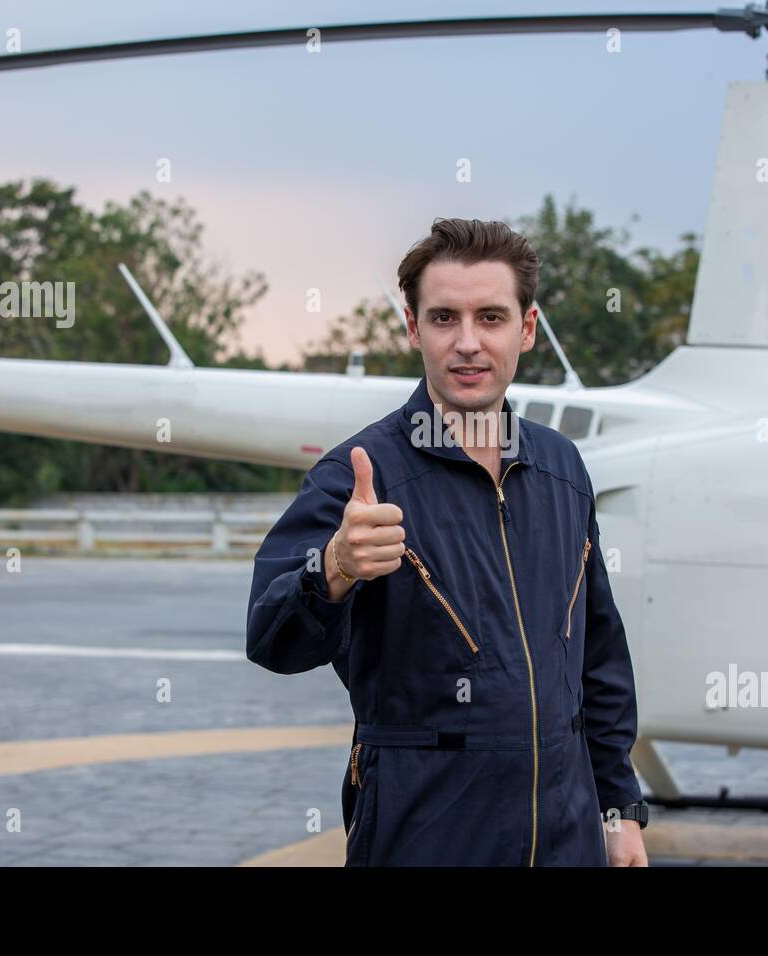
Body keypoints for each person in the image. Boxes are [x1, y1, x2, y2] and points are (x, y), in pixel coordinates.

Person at [245, 217, 648, 866]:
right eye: (443, 319)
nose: (467, 344)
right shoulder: (360, 478)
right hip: (423, 838)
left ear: (527, 328)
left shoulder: (562, 470)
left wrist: (618, 806)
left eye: (490, 318)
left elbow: (598, 655)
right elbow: (270, 641)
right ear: (412, 328)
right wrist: (334, 569)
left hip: (568, 841)